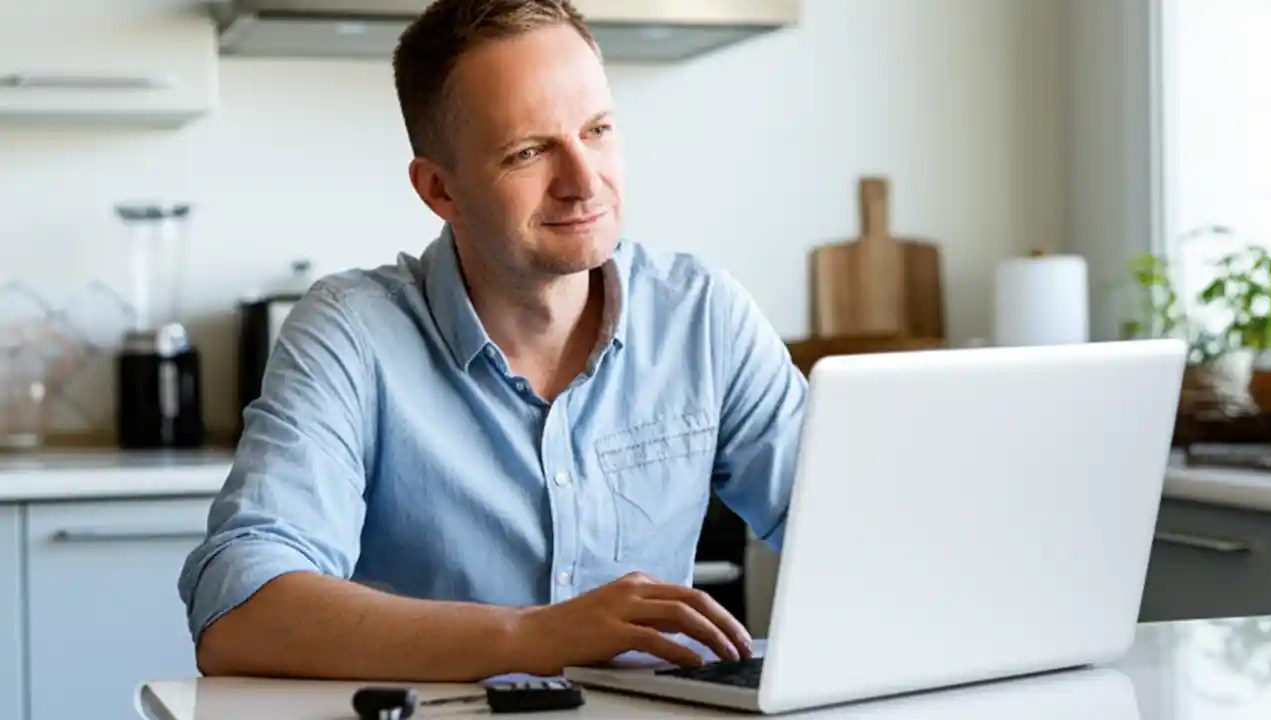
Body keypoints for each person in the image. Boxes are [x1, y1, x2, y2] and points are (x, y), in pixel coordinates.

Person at [179, 0, 807, 683]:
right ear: (439, 189)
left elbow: (857, 527)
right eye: (529, 151)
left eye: (596, 131)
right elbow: (238, 612)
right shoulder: (351, 335)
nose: (583, 181)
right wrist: (536, 636)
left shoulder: (702, 317)